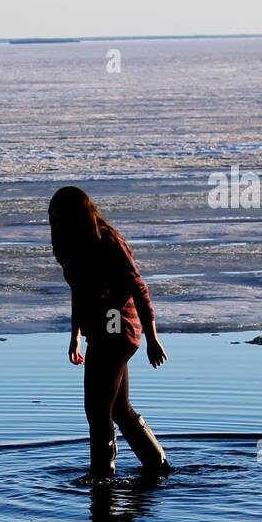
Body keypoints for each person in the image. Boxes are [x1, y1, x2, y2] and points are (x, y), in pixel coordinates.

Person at [48, 186, 170, 479]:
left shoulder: (109, 242)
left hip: (118, 327)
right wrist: (75, 335)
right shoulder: (76, 247)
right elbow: (80, 291)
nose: (55, 224)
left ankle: (102, 478)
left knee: (97, 408)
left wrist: (153, 338)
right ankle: (158, 467)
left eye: (59, 217)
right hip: (100, 331)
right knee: (118, 408)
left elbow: (139, 289)